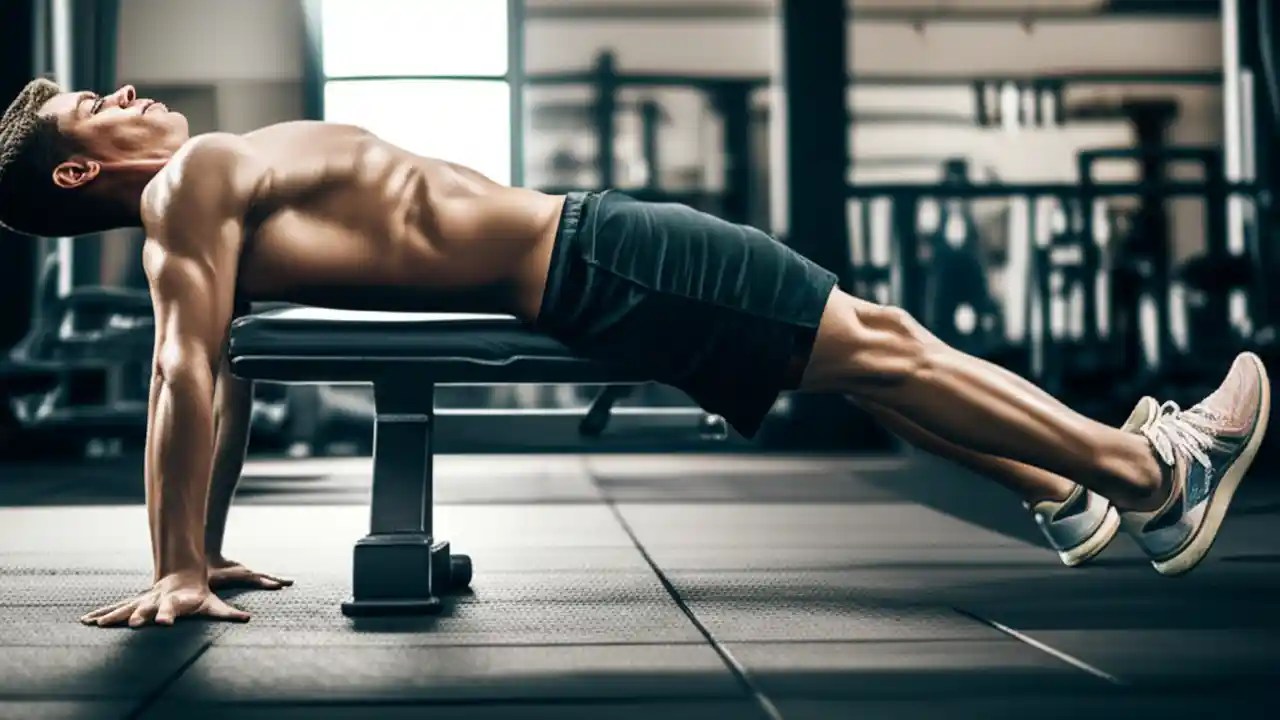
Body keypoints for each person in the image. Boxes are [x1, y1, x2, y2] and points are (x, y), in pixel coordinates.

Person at [0, 80, 1268, 629]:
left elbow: (214, 375)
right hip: (601, 255)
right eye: (97, 109)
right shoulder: (193, 183)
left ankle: (1059, 494)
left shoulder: (194, 219)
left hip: (585, 278)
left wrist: (198, 551)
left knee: (863, 362)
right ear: (76, 170)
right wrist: (174, 564)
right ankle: (1153, 476)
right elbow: (184, 375)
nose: (128, 97)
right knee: (885, 342)